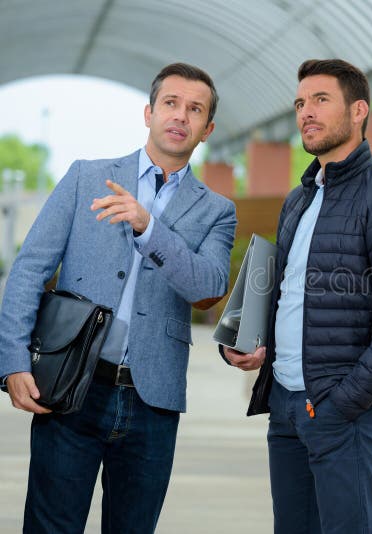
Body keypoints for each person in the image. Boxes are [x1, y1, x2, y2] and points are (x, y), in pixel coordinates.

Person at [0, 62, 237, 533]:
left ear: (207, 129)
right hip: (69, 389)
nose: (180, 116)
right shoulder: (86, 177)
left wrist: (149, 228)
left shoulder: (217, 211)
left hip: (153, 401)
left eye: (195, 110)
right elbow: (29, 270)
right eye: (171, 103)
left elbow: (209, 286)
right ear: (148, 112)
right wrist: (12, 362)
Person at [222, 59, 372, 534]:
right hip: (286, 405)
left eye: (321, 100)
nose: (306, 113)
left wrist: (342, 402)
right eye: (300, 103)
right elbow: (284, 295)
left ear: (359, 111)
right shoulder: (299, 199)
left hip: (341, 412)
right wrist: (251, 342)